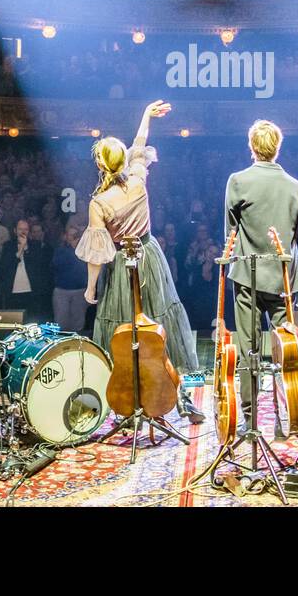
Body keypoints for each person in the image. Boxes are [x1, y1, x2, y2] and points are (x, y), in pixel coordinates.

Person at [77, 100, 203, 424]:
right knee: (162, 324)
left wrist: (91, 288)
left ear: (101, 166)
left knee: (123, 328)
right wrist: (146, 115)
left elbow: (97, 254)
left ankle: (125, 402)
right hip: (150, 258)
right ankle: (184, 399)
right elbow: (139, 146)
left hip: (122, 266)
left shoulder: (99, 203)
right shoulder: (136, 180)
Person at [222, 118, 298, 425]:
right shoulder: (296, 187)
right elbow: (295, 236)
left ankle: (249, 418)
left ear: (252, 147)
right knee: (288, 351)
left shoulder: (238, 181)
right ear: (277, 147)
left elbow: (230, 234)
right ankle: (288, 416)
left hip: (247, 276)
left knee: (248, 349)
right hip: (284, 277)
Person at [52, 222, 90, 333]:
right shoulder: (59, 250)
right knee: (61, 322)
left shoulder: (85, 250)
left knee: (78, 323)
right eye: (71, 235)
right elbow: (57, 265)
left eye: (76, 234)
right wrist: (72, 249)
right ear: (65, 236)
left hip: (79, 291)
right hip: (62, 291)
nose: (74, 237)